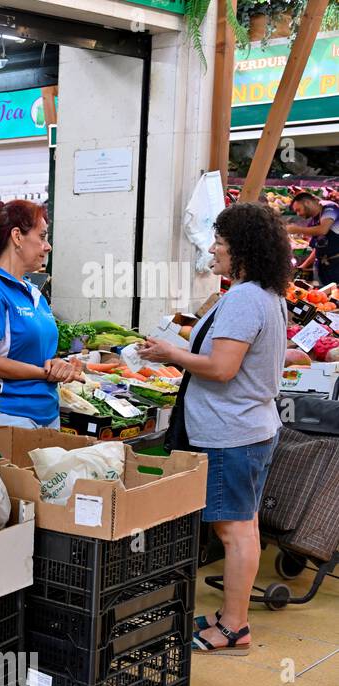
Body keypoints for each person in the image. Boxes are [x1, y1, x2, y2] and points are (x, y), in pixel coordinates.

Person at [138, 201, 290, 655]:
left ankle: (234, 628)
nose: (213, 251)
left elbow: (222, 368)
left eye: (220, 244)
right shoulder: (265, 293)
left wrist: (171, 354)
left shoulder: (245, 298)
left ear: (242, 249)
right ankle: (229, 615)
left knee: (233, 531)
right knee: (244, 525)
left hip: (231, 433)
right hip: (251, 427)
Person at [0, 199, 79, 429]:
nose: (48, 246)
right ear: (17, 237)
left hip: (48, 413)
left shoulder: (33, 293)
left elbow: (36, 354)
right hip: (8, 416)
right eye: (42, 237)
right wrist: (44, 373)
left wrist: (58, 365)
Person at [288, 191, 339, 286]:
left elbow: (323, 230)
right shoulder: (313, 222)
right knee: (321, 295)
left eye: (298, 210)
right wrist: (303, 266)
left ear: (307, 203)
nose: (298, 214)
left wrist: (296, 229)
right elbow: (317, 248)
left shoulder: (330, 208)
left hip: (336, 265)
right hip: (322, 266)